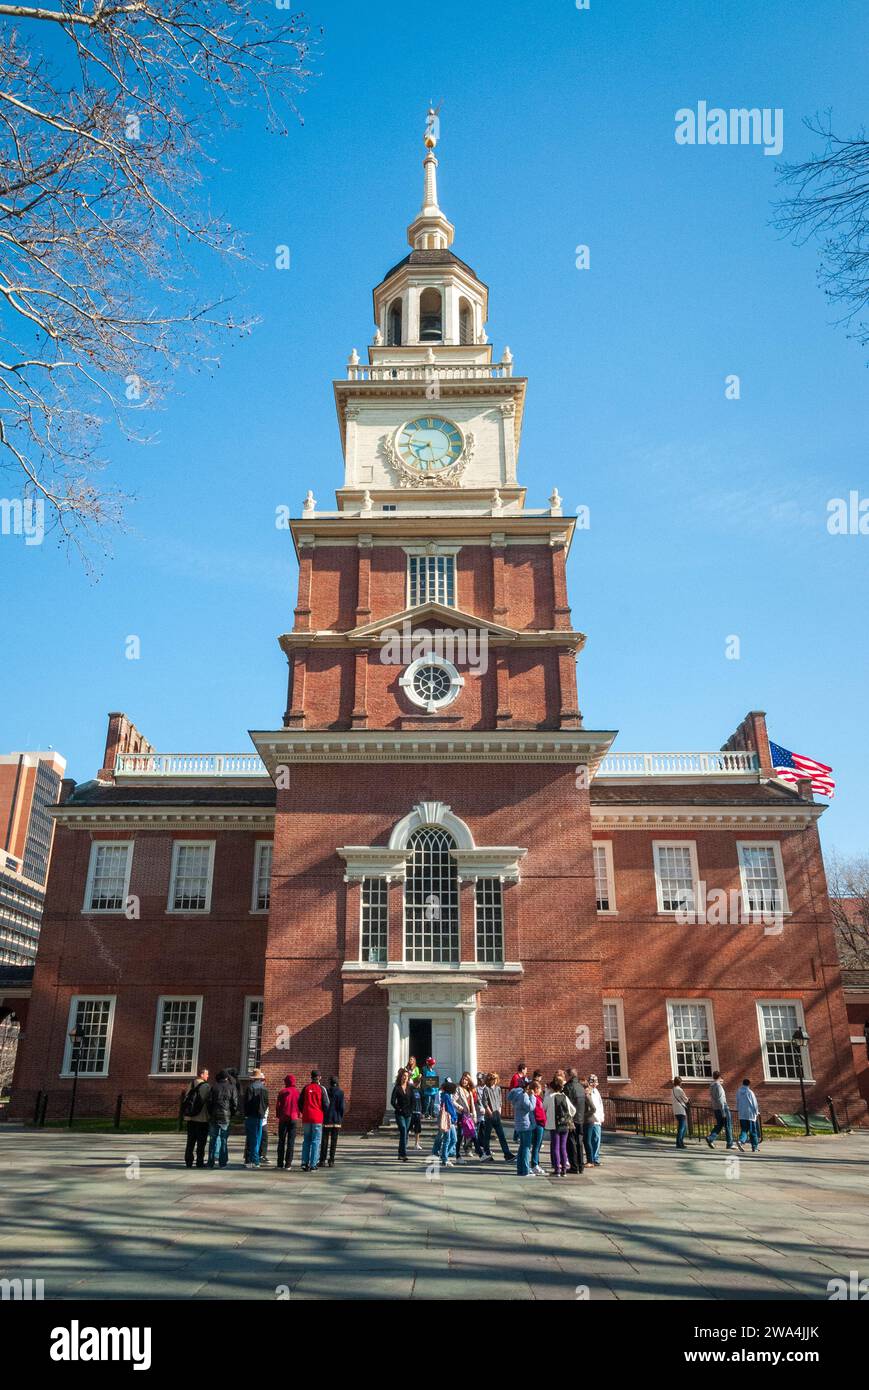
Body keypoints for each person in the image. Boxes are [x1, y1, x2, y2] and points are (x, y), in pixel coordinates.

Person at [543, 1076, 576, 1176]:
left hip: (554, 1125)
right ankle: (564, 1170)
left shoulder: (549, 1097)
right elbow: (573, 1110)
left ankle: (557, 1169)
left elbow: (543, 1108)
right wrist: (567, 1117)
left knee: (556, 1147)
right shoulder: (564, 1097)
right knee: (563, 1147)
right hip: (565, 1124)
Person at [480, 1071, 514, 1162]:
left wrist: (499, 1110)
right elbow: (484, 1102)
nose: (494, 1081)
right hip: (489, 1116)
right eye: (492, 1079)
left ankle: (507, 1154)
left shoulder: (498, 1088)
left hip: (497, 1115)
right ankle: (486, 1153)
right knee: (487, 1136)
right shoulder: (486, 1089)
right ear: (489, 1080)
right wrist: (489, 1112)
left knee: (501, 1135)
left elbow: (500, 1101)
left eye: (495, 1079)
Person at [299, 1069, 329, 1171]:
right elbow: (326, 1104)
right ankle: (313, 1164)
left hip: (307, 1117)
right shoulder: (322, 1089)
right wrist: (322, 1112)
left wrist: (304, 1112)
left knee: (306, 1140)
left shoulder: (306, 1088)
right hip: (317, 1117)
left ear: (311, 1077)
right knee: (316, 1141)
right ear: (319, 1077)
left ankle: (304, 1162)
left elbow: (300, 1103)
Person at [206, 1068, 237, 1168]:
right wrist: (231, 1114)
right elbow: (235, 1103)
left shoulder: (214, 1087)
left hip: (214, 1116)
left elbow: (209, 1103)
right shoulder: (232, 1088)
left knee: (213, 1139)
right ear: (227, 1078)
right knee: (224, 1140)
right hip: (225, 1116)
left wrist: (211, 1113)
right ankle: (222, 1162)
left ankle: (210, 1161)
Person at [507, 1076, 537, 1177]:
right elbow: (530, 1107)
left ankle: (520, 1169)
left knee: (522, 1147)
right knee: (526, 1148)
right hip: (525, 1124)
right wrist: (532, 1096)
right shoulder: (523, 1095)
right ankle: (525, 1170)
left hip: (519, 1123)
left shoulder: (516, 1093)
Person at [182, 1067, 211, 1168]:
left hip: (190, 1118)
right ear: (202, 1075)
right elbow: (209, 1102)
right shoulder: (206, 1086)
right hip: (202, 1119)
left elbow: (186, 1098)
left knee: (190, 1141)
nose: (208, 1076)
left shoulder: (191, 1084)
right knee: (201, 1142)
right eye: (207, 1074)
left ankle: (188, 1161)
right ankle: (199, 1161)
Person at [243, 1069, 269, 1169]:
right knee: (258, 1138)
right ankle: (256, 1160)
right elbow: (266, 1103)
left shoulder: (250, 1088)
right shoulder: (264, 1089)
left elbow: (247, 1103)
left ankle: (254, 1160)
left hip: (251, 1116)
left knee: (251, 1138)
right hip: (260, 1116)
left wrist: (246, 1114)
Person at [564, 1068, 587, 1174]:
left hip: (572, 1119)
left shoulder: (568, 1087)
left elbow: (566, 1105)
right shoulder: (581, 1087)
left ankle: (574, 1166)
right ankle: (581, 1166)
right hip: (581, 1119)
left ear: (569, 1076)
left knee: (571, 1143)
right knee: (579, 1142)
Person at [276, 1073, 300, 1170]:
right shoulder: (297, 1092)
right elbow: (300, 1105)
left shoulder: (282, 1092)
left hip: (283, 1118)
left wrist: (279, 1115)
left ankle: (280, 1163)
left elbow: (278, 1106)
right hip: (294, 1118)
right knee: (291, 1141)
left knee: (281, 1140)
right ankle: (288, 1164)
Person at [455, 1072, 482, 1160]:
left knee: (473, 1134)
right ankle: (457, 1155)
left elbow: (472, 1105)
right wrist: (460, 1107)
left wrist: (474, 1115)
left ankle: (481, 1154)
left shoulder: (470, 1091)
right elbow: (453, 1100)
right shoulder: (458, 1089)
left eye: (466, 1079)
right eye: (463, 1079)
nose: (464, 1081)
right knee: (460, 1135)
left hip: (469, 1116)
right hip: (461, 1115)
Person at [320, 1075, 345, 1167]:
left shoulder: (325, 1091)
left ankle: (322, 1160)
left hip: (326, 1119)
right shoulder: (340, 1092)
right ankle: (331, 1160)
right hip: (336, 1119)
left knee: (324, 1140)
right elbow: (342, 1107)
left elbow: (323, 1104)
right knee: (334, 1141)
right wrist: (340, 1117)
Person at [706, 1071, 735, 1149]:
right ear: (719, 1077)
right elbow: (721, 1099)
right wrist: (723, 1112)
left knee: (719, 1125)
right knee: (728, 1125)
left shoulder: (711, 1086)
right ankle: (730, 1143)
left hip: (715, 1108)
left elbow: (714, 1098)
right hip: (723, 1107)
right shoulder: (718, 1086)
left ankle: (711, 1138)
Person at [391, 1067, 414, 1161]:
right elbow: (392, 1101)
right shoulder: (397, 1088)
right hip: (399, 1114)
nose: (405, 1078)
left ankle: (400, 1153)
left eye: (407, 1076)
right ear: (401, 1077)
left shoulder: (410, 1088)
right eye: (404, 1076)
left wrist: (411, 1111)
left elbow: (413, 1101)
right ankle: (403, 1154)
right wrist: (398, 1109)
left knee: (404, 1134)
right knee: (404, 1130)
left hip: (408, 1114)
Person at [435, 1080, 458, 1168]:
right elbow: (450, 1110)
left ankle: (444, 1156)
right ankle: (445, 1158)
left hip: (449, 1121)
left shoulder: (446, 1096)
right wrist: (454, 1118)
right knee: (448, 1140)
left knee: (453, 1139)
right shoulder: (447, 1097)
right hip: (449, 1121)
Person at [736, 1078, 761, 1153]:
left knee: (744, 1130)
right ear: (749, 1084)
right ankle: (754, 1147)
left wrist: (739, 1110)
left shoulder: (738, 1092)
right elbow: (754, 1103)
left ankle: (741, 1141)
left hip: (742, 1114)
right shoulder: (750, 1092)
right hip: (750, 1115)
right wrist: (756, 1112)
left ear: (742, 1083)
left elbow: (737, 1102)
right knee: (753, 1131)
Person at [584, 1074, 604, 1167]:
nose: (595, 1085)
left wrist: (601, 1116)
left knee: (596, 1139)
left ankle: (595, 1158)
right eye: (593, 1083)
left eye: (595, 1083)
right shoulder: (588, 1092)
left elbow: (600, 1105)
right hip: (590, 1119)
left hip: (597, 1119)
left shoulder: (596, 1091)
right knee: (590, 1140)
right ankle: (591, 1158)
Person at [530, 1079, 547, 1175]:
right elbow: (538, 1113)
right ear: (536, 1089)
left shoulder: (538, 1098)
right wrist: (543, 1121)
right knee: (536, 1145)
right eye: (540, 1088)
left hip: (540, 1124)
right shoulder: (534, 1098)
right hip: (538, 1124)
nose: (541, 1090)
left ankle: (536, 1163)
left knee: (538, 1145)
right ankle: (535, 1164)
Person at [671, 1076, 690, 1149]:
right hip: (681, 1109)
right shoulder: (680, 1090)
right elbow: (685, 1099)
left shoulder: (673, 1090)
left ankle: (680, 1142)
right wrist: (688, 1100)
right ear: (680, 1082)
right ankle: (679, 1143)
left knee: (681, 1127)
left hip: (675, 1110)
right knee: (682, 1127)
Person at [409, 1078, 423, 1151]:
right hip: (411, 1112)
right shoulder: (410, 1090)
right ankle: (405, 1143)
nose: (417, 1084)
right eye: (416, 1082)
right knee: (408, 1128)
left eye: (419, 1082)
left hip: (417, 1112)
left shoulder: (420, 1091)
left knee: (417, 1130)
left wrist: (421, 1112)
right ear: (413, 1083)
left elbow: (421, 1101)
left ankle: (416, 1144)